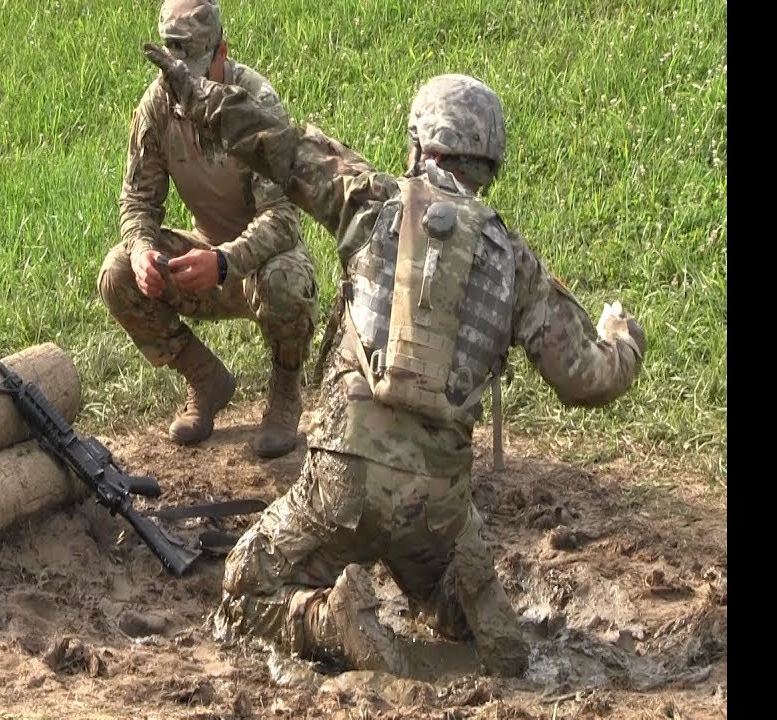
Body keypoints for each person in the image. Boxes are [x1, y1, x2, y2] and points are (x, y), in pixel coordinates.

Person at [140, 43, 648, 678]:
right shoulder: (515, 262)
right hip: (436, 503)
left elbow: (278, 144)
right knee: (444, 594)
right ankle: (484, 620)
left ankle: (330, 620)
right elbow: (588, 379)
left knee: (245, 587)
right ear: (488, 162)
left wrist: (199, 95)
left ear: (418, 146)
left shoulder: (369, 201)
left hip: (342, 481)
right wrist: (624, 336)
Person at [97, 0, 319, 459]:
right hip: (203, 257)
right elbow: (138, 200)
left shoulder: (255, 103)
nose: (184, 86)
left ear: (222, 53)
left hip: (259, 261)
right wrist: (142, 252)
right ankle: (205, 379)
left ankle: (285, 389)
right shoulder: (158, 104)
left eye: (196, 70)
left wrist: (223, 262)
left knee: (286, 280)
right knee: (117, 271)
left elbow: (282, 219)